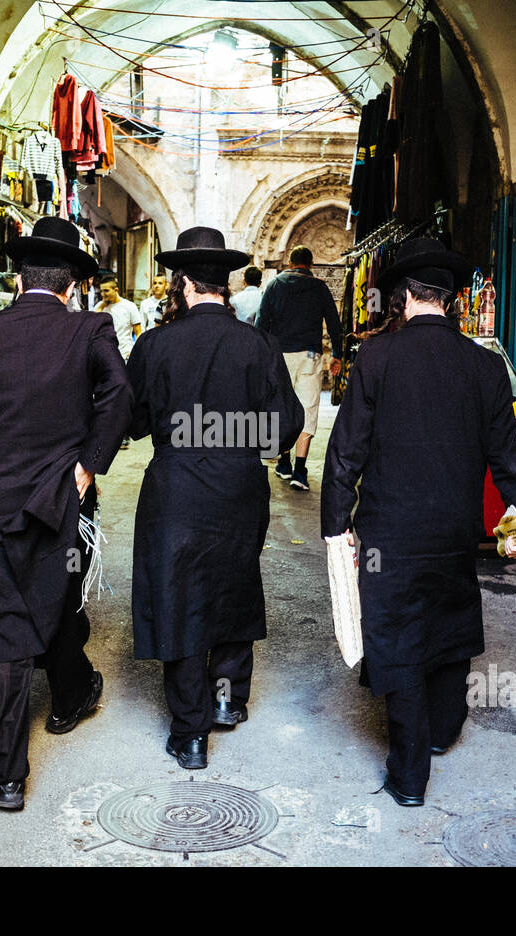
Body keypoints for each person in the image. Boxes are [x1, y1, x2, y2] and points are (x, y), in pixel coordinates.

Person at [0, 216, 132, 812]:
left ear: (20, 278)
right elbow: (122, 393)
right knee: (54, 600)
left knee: (3, 622)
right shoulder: (92, 329)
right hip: (64, 502)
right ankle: (73, 693)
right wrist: (90, 464)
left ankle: (6, 773)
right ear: (71, 284)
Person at [321, 237, 516, 807]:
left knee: (397, 636)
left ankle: (409, 775)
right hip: (455, 529)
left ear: (405, 296)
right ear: (449, 299)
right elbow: (506, 455)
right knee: (447, 621)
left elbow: (347, 451)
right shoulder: (486, 365)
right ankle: (443, 731)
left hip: (390, 533)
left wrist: (336, 521)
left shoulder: (376, 358)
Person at [126, 226, 303, 770]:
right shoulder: (258, 344)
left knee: (179, 595)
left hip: (175, 487)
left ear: (181, 282)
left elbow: (131, 421)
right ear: (223, 284)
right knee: (233, 583)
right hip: (238, 486)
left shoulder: (156, 344)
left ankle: (191, 731)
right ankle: (227, 699)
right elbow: (285, 426)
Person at [257, 245, 343, 491]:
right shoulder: (319, 287)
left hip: (279, 356)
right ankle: (300, 470)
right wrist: (337, 355)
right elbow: (334, 324)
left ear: (290, 263)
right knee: (307, 408)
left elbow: (261, 321)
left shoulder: (274, 285)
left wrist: (260, 356)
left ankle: (284, 461)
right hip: (309, 355)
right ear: (311, 265)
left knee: (284, 407)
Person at [97, 275, 141, 361]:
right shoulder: (99, 307)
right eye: (101, 291)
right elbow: (92, 326)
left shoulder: (129, 306)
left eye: (106, 291)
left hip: (125, 356)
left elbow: (138, 333)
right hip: (104, 356)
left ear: (116, 290)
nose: (103, 294)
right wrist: (102, 306)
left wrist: (135, 352)